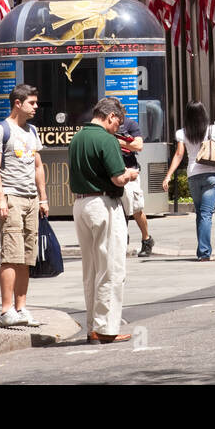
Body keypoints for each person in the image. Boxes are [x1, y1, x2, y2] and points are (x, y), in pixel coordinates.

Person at [70, 96, 137, 343]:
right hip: (104, 204)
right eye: (117, 123)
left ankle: (92, 327)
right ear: (110, 117)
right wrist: (130, 173)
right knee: (111, 268)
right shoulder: (106, 139)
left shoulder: (78, 137)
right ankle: (106, 328)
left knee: (91, 269)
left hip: (80, 204)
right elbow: (118, 178)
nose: (118, 127)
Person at [0, 85, 48, 328]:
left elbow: (38, 166)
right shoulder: (1, 131)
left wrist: (43, 197)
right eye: (31, 102)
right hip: (12, 197)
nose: (35, 107)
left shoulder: (32, 130)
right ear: (18, 103)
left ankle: (21, 307)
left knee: (26, 257)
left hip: (31, 198)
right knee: (11, 255)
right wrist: (0, 198)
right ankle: (5, 310)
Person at [164, 101, 215, 261]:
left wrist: (168, 175)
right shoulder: (214, 130)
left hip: (193, 176)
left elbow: (179, 155)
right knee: (206, 215)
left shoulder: (182, 133)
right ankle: (204, 253)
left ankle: (202, 251)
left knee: (201, 214)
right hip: (211, 175)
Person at [116, 118, 154, 257]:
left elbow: (138, 145)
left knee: (136, 209)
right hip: (112, 172)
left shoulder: (129, 124)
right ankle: (121, 240)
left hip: (131, 171)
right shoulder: (104, 126)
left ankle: (146, 239)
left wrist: (117, 141)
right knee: (118, 209)